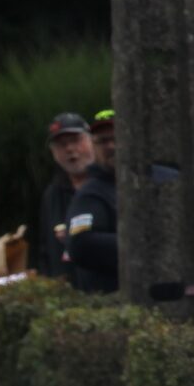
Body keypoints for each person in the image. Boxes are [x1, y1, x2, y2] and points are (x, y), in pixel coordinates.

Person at [33, 112, 96, 280]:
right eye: (61, 144)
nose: (69, 149)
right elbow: (44, 250)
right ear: (53, 153)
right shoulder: (52, 194)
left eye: (76, 141)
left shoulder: (111, 186)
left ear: (92, 142)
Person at [65, 109, 120, 294]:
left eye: (117, 138)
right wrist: (144, 245)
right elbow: (81, 243)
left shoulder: (163, 179)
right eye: (103, 141)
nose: (111, 146)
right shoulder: (91, 193)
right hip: (115, 304)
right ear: (94, 147)